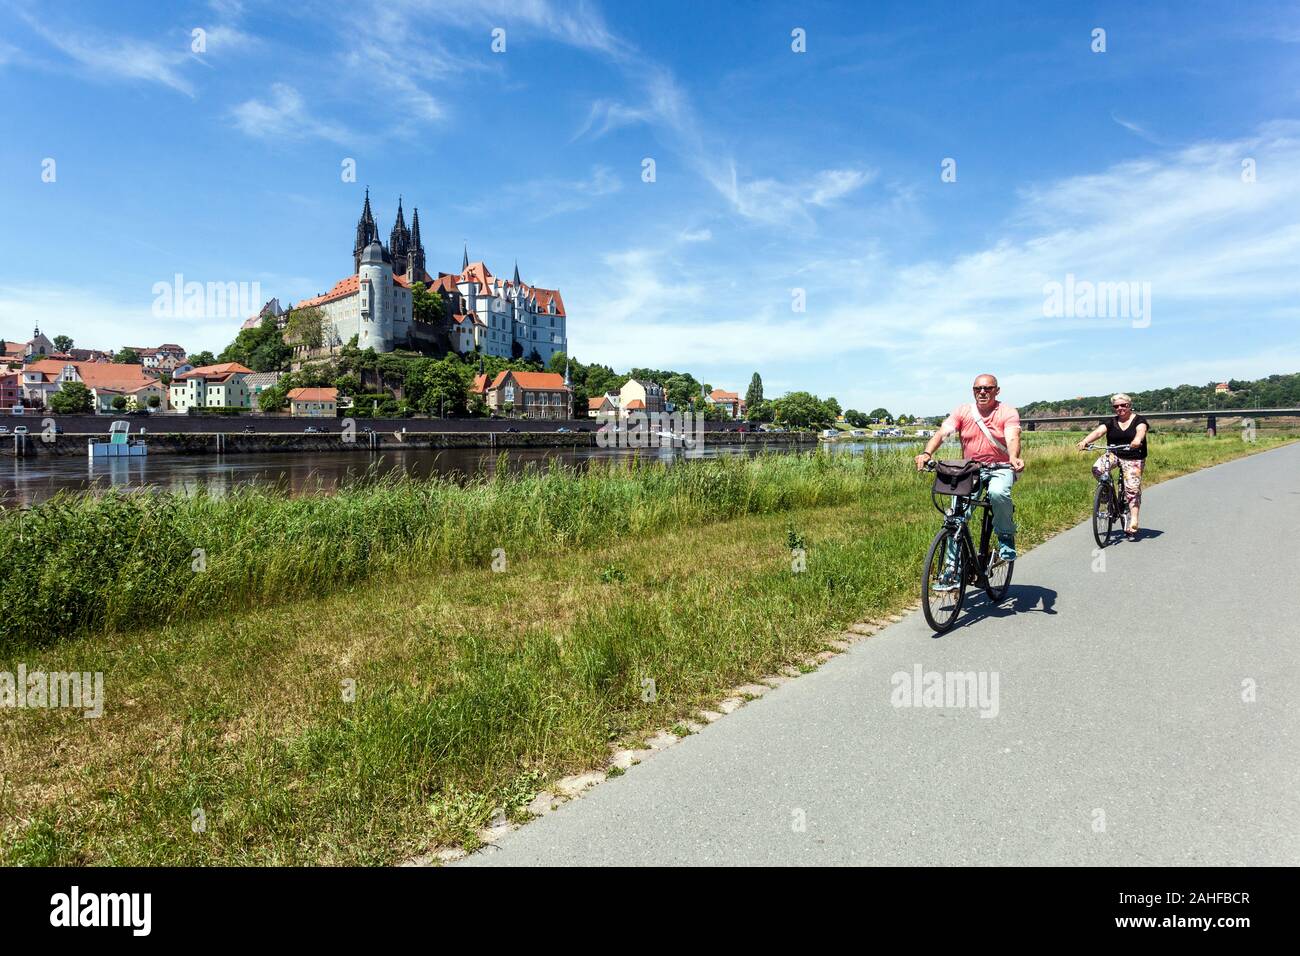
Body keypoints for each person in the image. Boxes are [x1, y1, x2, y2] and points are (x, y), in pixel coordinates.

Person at [915, 374, 1025, 582]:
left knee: (998, 493)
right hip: (970, 470)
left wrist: (1013, 457)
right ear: (973, 390)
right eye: (978, 389)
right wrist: (927, 453)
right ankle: (951, 569)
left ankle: (1005, 536)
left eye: (988, 388)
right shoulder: (963, 411)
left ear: (997, 390)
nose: (982, 392)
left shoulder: (1007, 412)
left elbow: (1012, 436)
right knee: (956, 518)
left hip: (1000, 467)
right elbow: (942, 433)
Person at [1078, 393, 1148, 539]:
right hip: (1114, 453)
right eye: (1116, 406)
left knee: (1132, 488)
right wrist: (1085, 441)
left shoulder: (1139, 420)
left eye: (1123, 405)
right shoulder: (1110, 422)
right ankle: (1106, 493)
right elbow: (1099, 432)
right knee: (1097, 468)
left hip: (1133, 456)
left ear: (1130, 405)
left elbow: (1141, 431)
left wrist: (1137, 440)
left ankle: (1133, 519)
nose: (1120, 408)